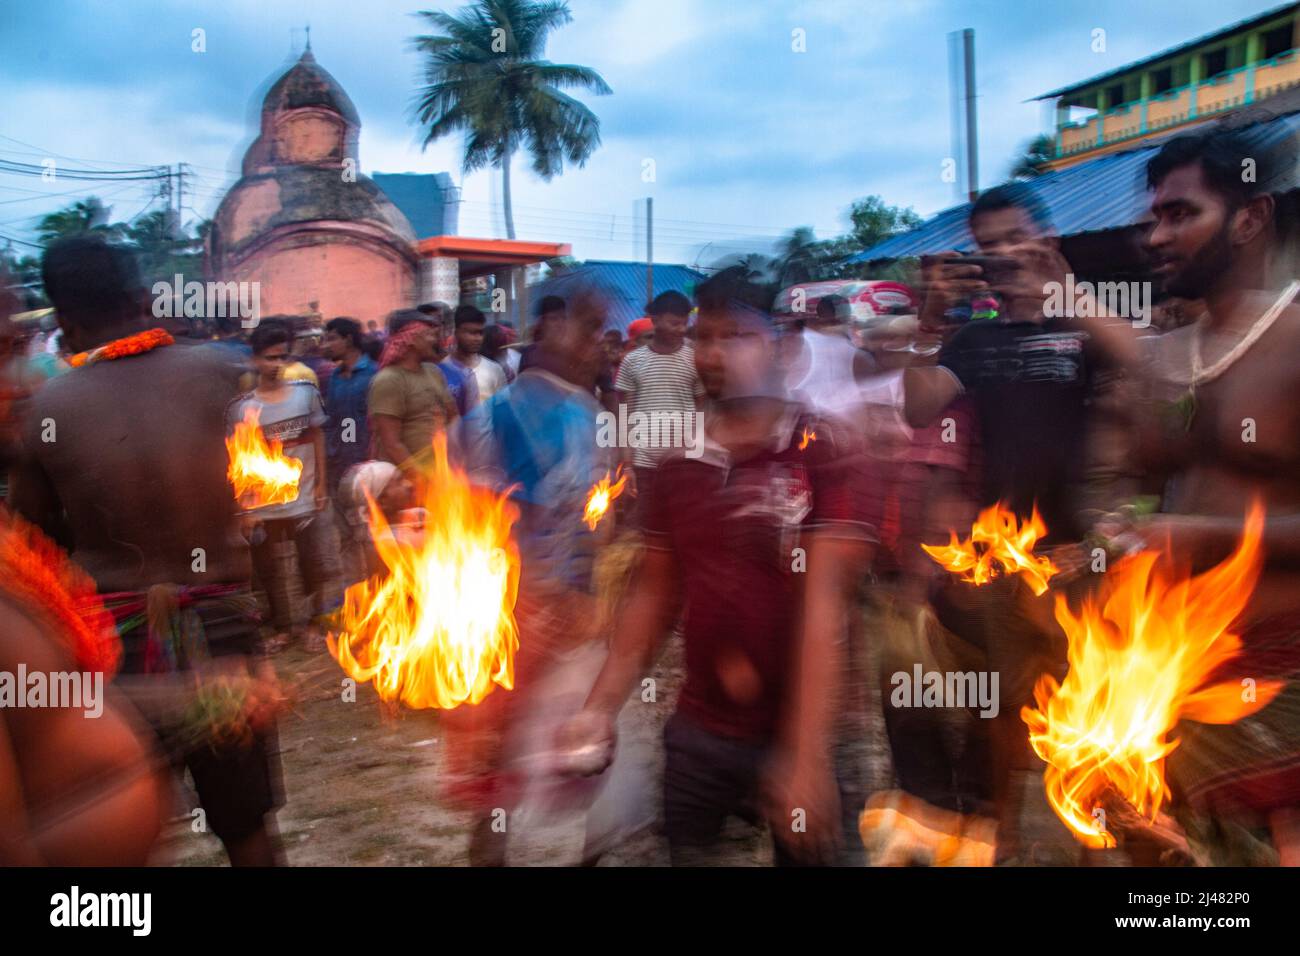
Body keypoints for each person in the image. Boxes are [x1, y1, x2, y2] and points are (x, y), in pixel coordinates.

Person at [559, 270, 879, 865]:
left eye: (736, 337)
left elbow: (825, 608)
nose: (712, 354)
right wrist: (599, 710)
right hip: (702, 730)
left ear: (781, 345)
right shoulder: (678, 460)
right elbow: (655, 593)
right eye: (703, 338)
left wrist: (805, 757)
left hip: (812, 730)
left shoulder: (826, 450)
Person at [13, 235, 285, 866]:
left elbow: (33, 551)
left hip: (114, 642)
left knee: (123, 827)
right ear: (144, 298)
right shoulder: (227, 374)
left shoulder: (48, 408)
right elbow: (268, 505)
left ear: (64, 322)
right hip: (224, 631)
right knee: (247, 827)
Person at [1111, 126, 1300, 863]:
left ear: (1251, 218)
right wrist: (1114, 537)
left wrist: (1204, 538)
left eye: (1180, 214)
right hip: (1176, 673)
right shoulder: (1160, 360)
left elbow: (1193, 522)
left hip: (1285, 688)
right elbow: (1143, 496)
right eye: (1152, 218)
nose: (1155, 237)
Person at [227, 319, 341, 651]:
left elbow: (318, 436)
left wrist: (321, 483)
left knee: (312, 563)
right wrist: (244, 507)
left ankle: (312, 627)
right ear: (255, 360)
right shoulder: (243, 408)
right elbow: (239, 460)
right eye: (269, 358)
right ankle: (283, 627)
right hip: (264, 503)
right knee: (271, 571)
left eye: (281, 358)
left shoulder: (306, 394)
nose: (275, 365)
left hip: (305, 497)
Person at [613, 290, 703, 524]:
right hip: (645, 465)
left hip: (685, 463)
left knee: (685, 525)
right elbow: (625, 416)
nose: (681, 329)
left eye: (685, 323)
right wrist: (628, 466)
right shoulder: (633, 361)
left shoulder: (696, 358)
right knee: (649, 526)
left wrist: (698, 455)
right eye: (674, 323)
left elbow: (703, 411)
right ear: (655, 320)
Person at [369, 310, 458, 478]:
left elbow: (453, 417)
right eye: (430, 335)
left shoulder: (434, 372)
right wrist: (420, 480)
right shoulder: (389, 380)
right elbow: (392, 444)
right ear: (411, 338)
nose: (436, 341)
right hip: (405, 484)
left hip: (441, 475)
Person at [443, 304, 507, 407]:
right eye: (472, 333)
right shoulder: (440, 370)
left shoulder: (494, 370)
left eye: (481, 333)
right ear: (456, 332)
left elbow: (502, 410)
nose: (478, 338)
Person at [517, 295, 565, 374]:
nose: (560, 324)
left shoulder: (571, 354)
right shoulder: (530, 355)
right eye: (553, 319)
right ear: (542, 322)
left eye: (563, 318)